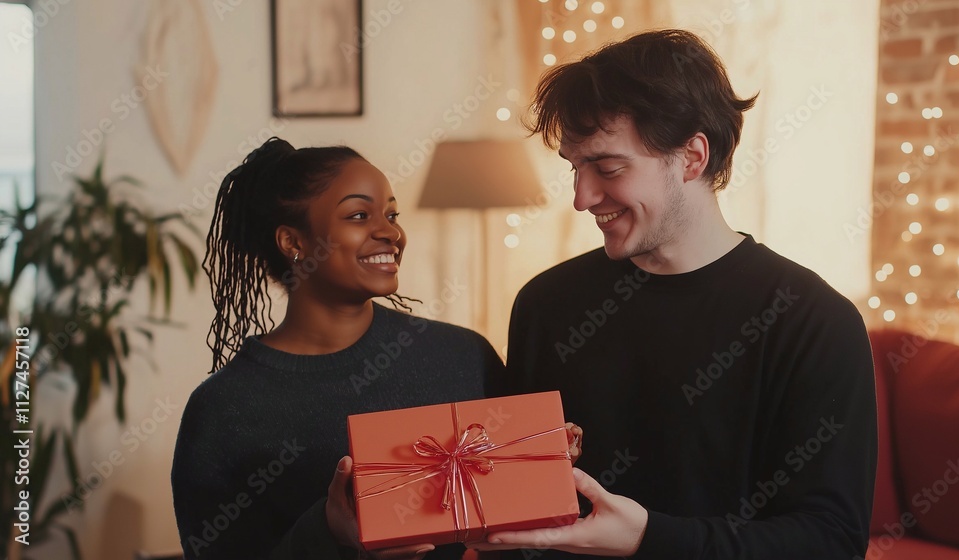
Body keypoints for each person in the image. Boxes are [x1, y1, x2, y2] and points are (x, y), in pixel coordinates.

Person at [475, 30, 877, 559]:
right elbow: (516, 510)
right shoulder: (545, 304)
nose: (582, 197)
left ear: (692, 157)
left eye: (608, 167)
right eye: (575, 167)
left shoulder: (813, 322)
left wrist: (648, 539)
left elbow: (830, 542)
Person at [171, 137, 506, 560]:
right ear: (294, 243)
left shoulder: (463, 356)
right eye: (359, 215)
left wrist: (551, 454)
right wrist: (330, 533)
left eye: (391, 214)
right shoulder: (223, 409)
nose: (391, 232)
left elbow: (519, 516)